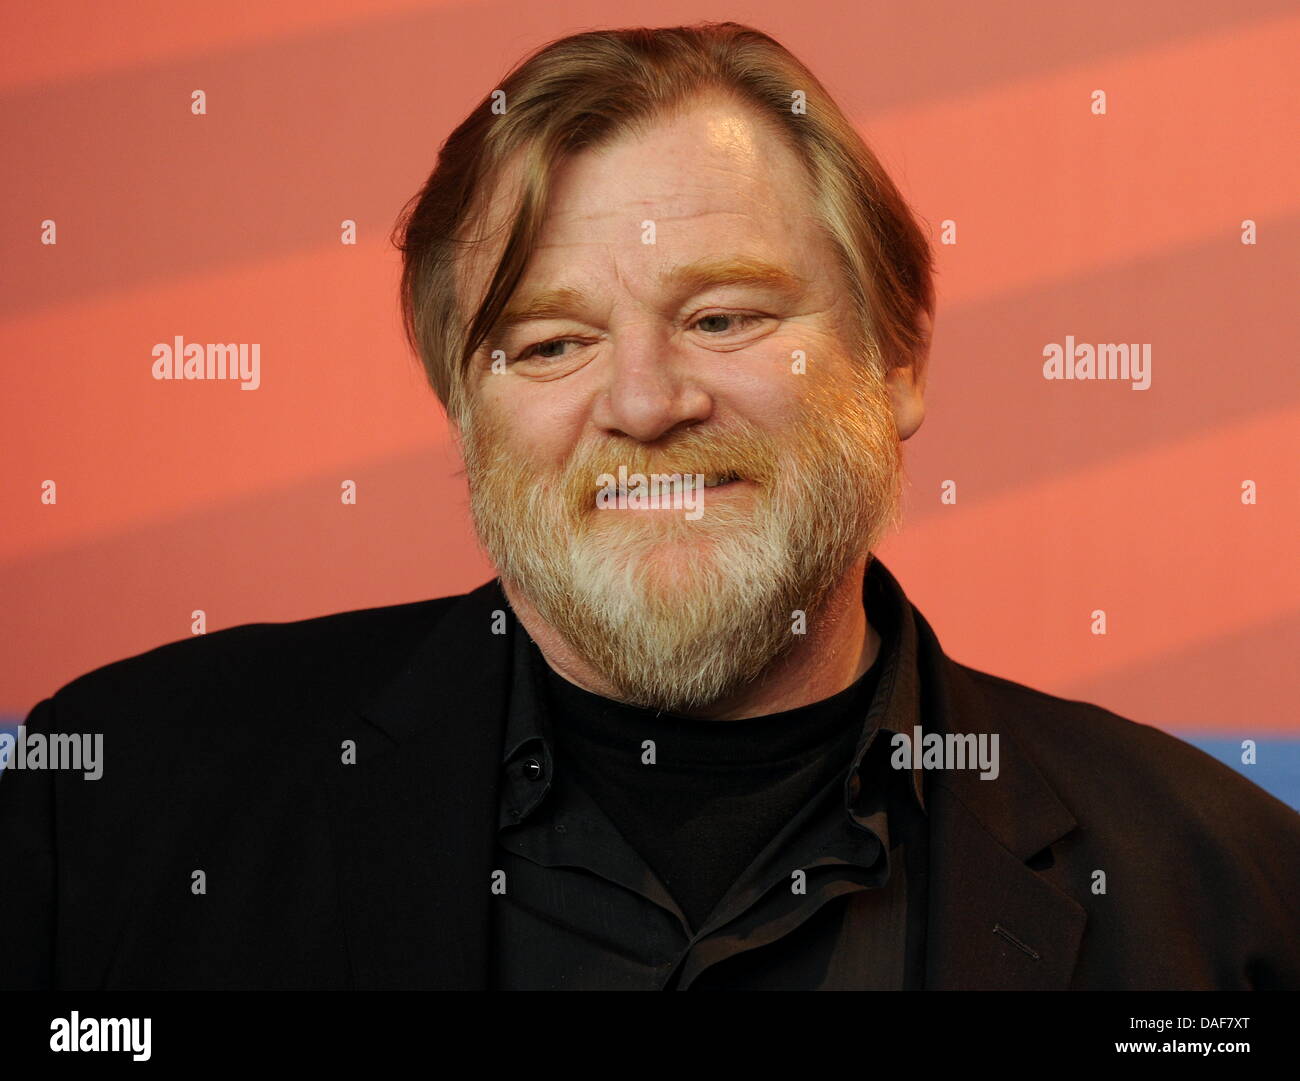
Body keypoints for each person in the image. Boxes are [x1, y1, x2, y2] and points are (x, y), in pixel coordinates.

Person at [2, 22, 1296, 991]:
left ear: (899, 360)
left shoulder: (1231, 895)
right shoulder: (115, 811)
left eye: (723, 316)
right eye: (552, 342)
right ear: (464, 410)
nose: (643, 396)